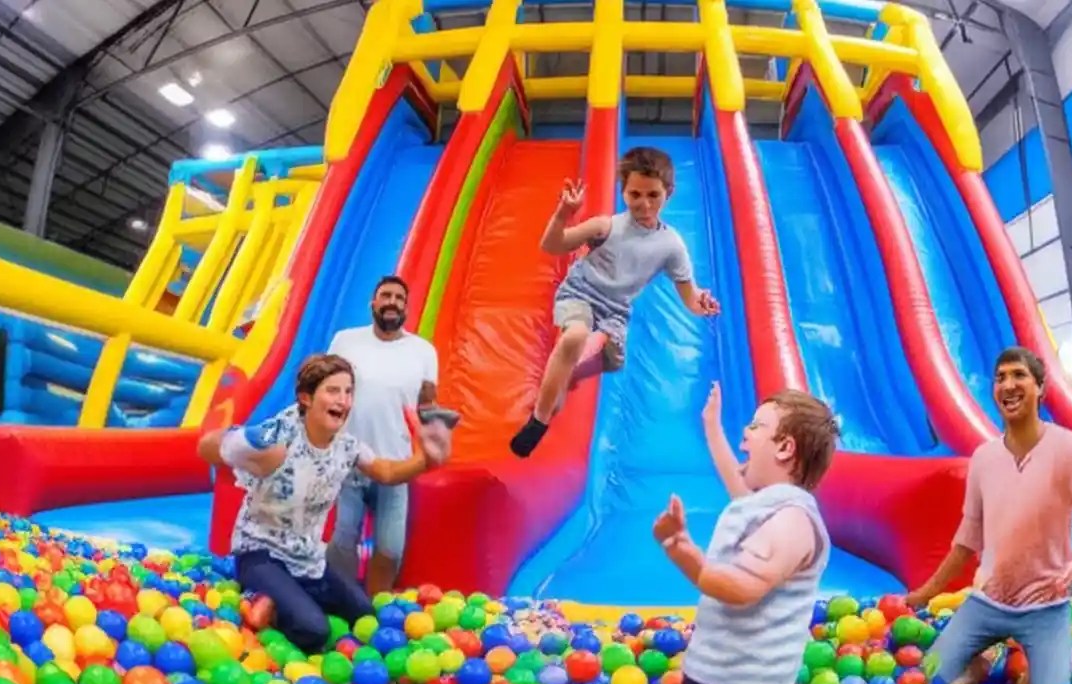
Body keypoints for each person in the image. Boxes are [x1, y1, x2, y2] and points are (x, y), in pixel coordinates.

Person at [904, 346, 1072, 684]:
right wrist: (925, 593)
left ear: (1041, 388)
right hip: (987, 602)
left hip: (1046, 608)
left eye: (1019, 375)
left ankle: (1027, 661)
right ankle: (985, 660)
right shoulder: (984, 458)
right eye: (1000, 378)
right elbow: (967, 539)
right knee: (927, 677)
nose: (1008, 385)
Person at [197, 353, 448, 653]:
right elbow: (206, 448)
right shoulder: (277, 435)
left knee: (364, 615)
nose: (343, 400)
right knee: (315, 630)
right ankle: (258, 599)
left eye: (348, 391)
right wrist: (240, 444)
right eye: (333, 390)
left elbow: (386, 471)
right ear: (306, 398)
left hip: (307, 560)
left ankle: (286, 596)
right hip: (260, 553)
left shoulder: (346, 445)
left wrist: (425, 461)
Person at [509, 147, 721, 458]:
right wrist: (564, 214)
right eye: (635, 194)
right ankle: (538, 422)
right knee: (578, 336)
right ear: (623, 192)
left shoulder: (671, 245)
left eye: (653, 195)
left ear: (669, 193)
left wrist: (701, 302)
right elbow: (552, 245)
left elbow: (689, 297)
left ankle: (564, 372)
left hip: (615, 312)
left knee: (604, 358)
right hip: (580, 294)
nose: (644, 204)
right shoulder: (605, 227)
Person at [656, 382, 839, 684]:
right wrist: (712, 428)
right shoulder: (764, 508)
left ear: (784, 447)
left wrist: (687, 556)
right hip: (718, 673)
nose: (745, 432)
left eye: (756, 426)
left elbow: (744, 588)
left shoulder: (791, 521)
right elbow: (733, 478)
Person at [324, 275, 452, 595]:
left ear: (406, 307)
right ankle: (342, 600)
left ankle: (374, 605)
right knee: (343, 538)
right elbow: (325, 388)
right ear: (374, 303)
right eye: (386, 296)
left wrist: (435, 430)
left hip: (396, 462)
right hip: (349, 458)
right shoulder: (345, 341)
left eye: (398, 298)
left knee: (390, 547)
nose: (392, 302)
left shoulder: (423, 351)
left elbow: (426, 403)